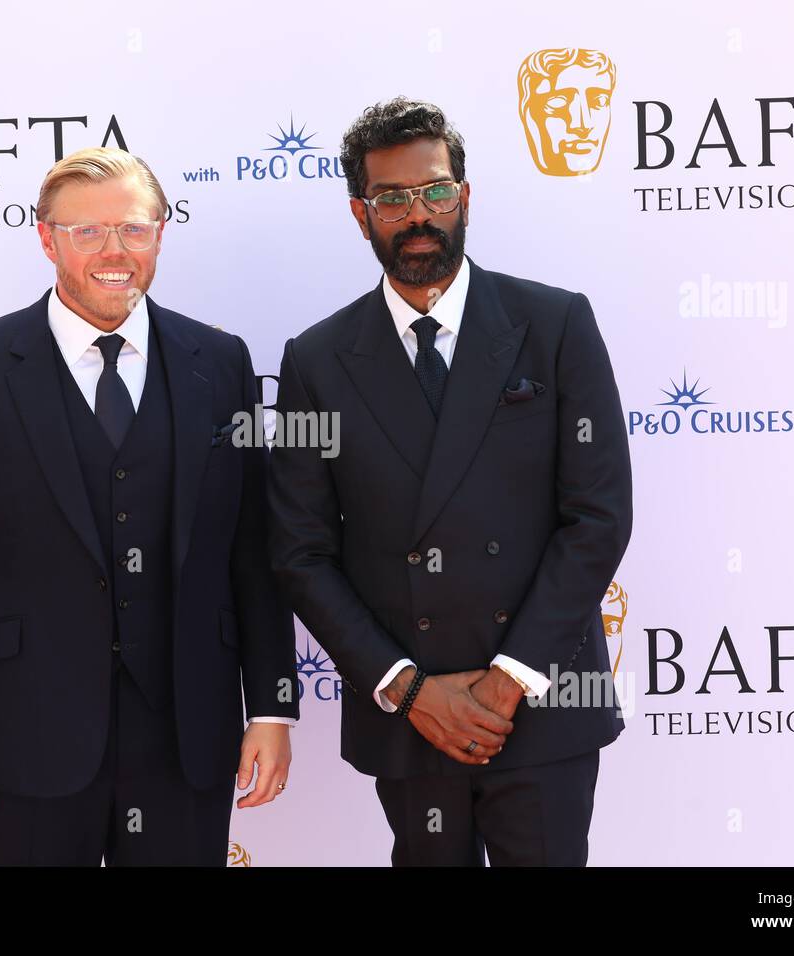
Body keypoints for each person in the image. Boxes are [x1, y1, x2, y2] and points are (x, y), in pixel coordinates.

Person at [0, 147, 297, 865]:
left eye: (134, 229)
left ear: (160, 235)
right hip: (25, 728)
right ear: (47, 238)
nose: (115, 252)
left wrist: (270, 706)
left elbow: (251, 546)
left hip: (187, 730)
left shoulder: (221, 362)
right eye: (88, 232)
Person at [268, 98, 632, 866]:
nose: (417, 214)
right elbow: (301, 551)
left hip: (541, 702)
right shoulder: (317, 358)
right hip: (410, 713)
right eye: (391, 199)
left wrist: (506, 683)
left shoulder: (556, 324)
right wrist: (409, 689)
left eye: (434, 190)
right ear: (359, 214)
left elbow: (598, 517)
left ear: (463, 196)